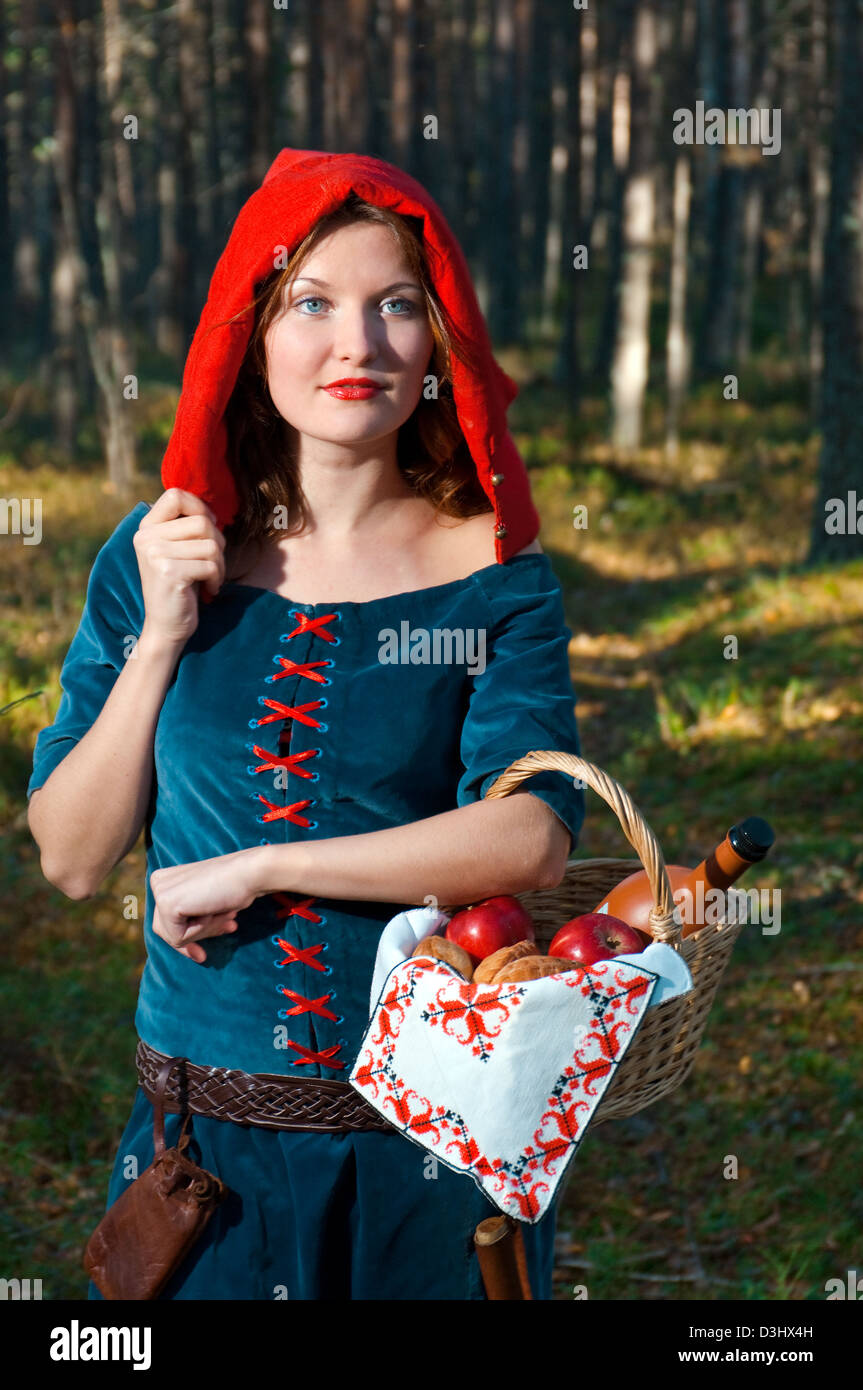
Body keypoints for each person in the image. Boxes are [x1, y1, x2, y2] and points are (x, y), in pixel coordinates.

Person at [27, 147, 586, 1301]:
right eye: (312, 304)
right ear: (250, 334)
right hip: (205, 1162)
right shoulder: (156, 554)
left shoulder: (494, 572)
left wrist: (266, 863)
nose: (358, 343)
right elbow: (74, 857)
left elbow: (531, 833)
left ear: (437, 342)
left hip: (434, 1145)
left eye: (396, 305)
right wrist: (162, 634)